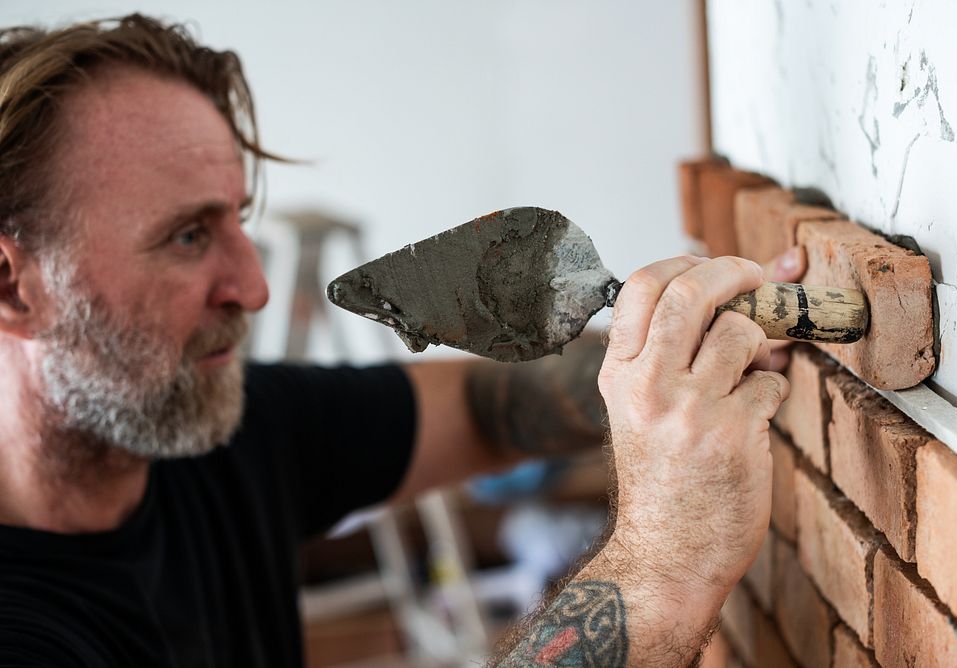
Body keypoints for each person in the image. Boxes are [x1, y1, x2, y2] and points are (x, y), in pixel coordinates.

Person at [0, 14, 805, 667]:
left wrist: (668, 351)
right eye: (185, 237)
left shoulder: (210, 427)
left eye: (237, 221)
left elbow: (490, 408)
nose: (254, 287)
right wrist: (664, 566)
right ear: (12, 285)